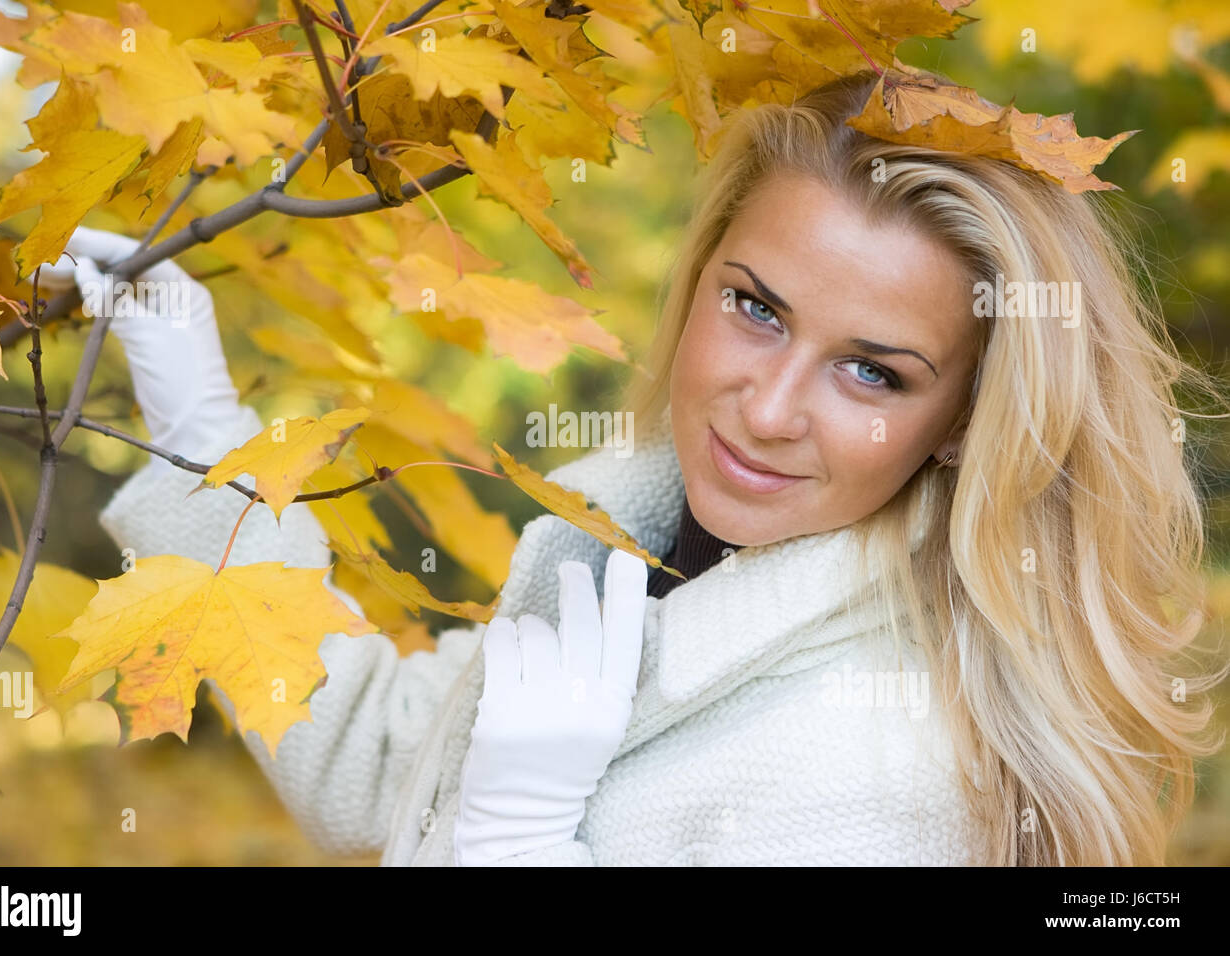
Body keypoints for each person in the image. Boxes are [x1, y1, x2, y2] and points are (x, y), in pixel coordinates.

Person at [60, 69, 1224, 866]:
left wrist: (518, 839)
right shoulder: (629, 552)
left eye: (874, 372)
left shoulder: (883, 768)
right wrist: (202, 428)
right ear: (701, 272)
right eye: (754, 307)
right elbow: (367, 759)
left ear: (967, 419)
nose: (767, 409)